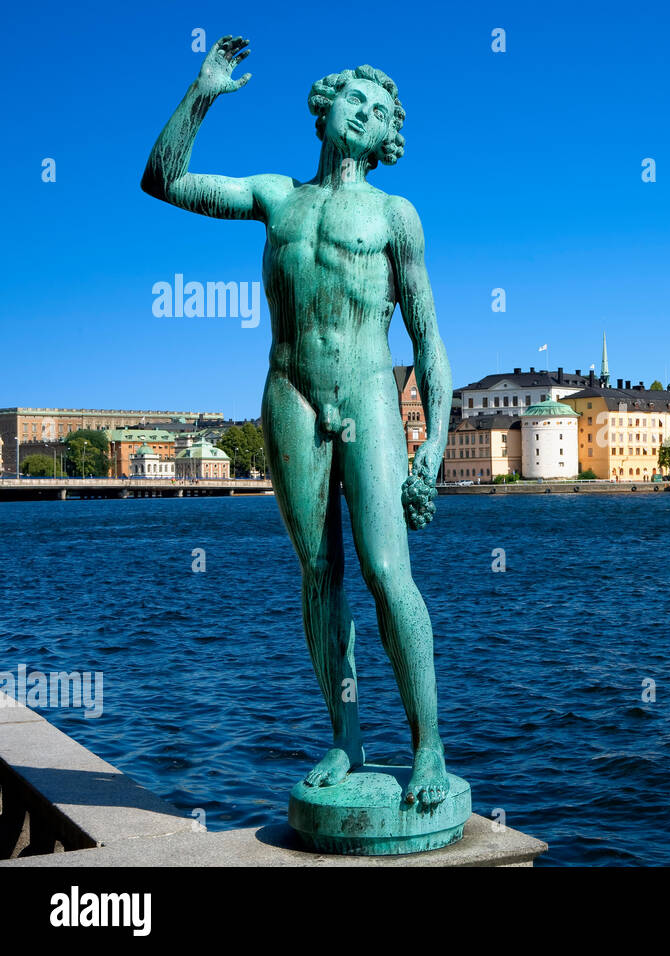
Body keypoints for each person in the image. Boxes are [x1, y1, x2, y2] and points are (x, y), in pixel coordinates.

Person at [142, 38, 452, 807]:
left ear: (388, 140)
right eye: (355, 99)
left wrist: (436, 443)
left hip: (370, 395)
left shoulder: (394, 215)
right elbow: (163, 178)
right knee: (321, 575)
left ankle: (429, 748)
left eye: (379, 111)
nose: (364, 113)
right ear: (325, 110)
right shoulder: (276, 197)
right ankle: (346, 740)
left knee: (386, 572)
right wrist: (203, 92)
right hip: (290, 397)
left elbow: (429, 342)